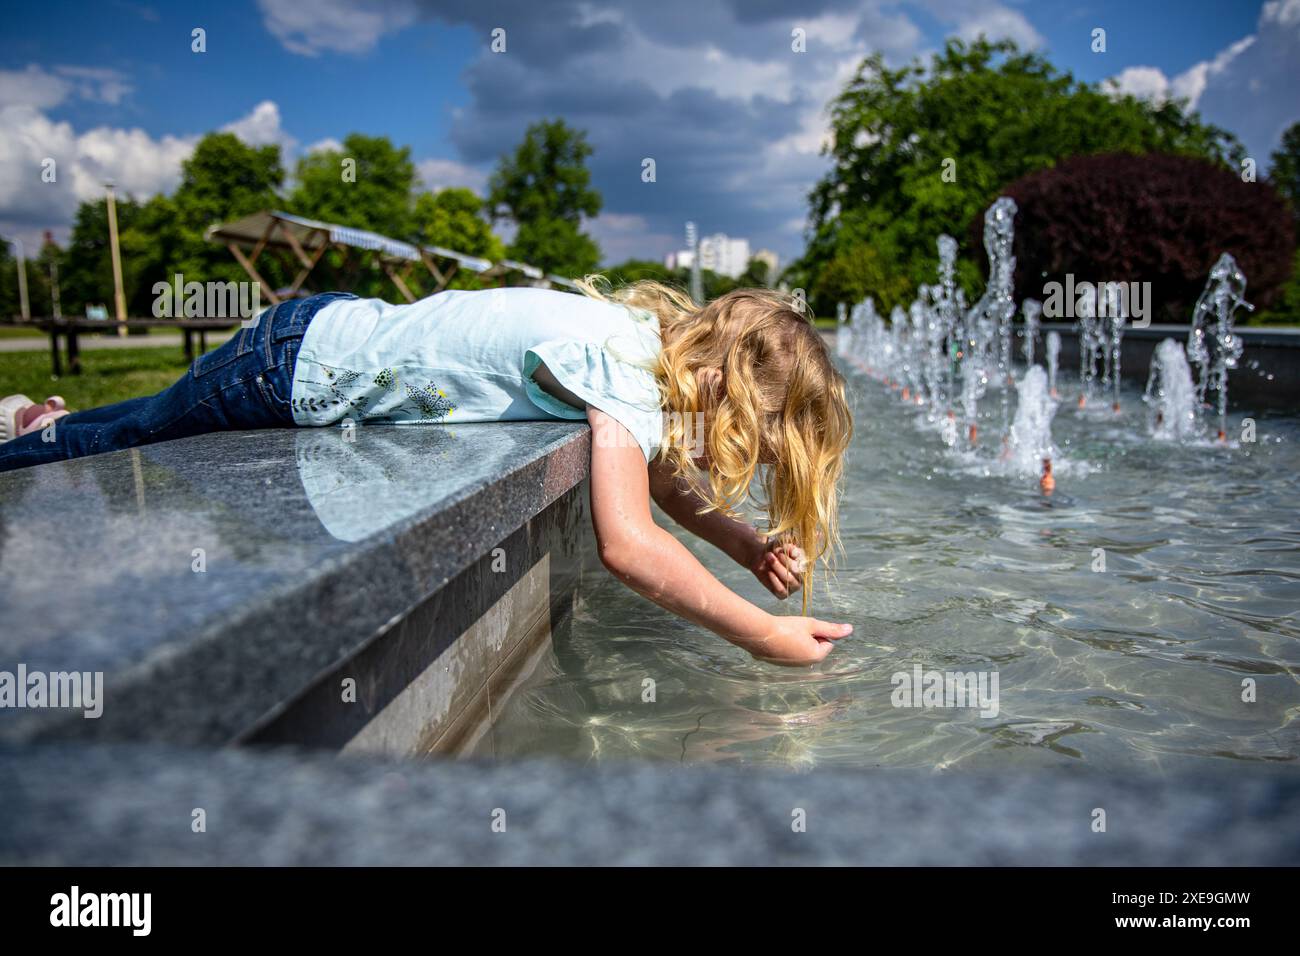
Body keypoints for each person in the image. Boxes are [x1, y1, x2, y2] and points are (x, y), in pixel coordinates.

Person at [0, 279, 855, 664]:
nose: (728, 459)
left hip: (316, 336)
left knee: (145, 419)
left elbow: (661, 481)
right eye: (749, 442)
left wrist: (741, 543)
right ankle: (34, 442)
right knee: (142, 439)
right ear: (719, 387)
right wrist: (763, 632)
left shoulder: (642, 364)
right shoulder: (623, 374)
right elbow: (630, 545)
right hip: (294, 364)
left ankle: (50, 421)